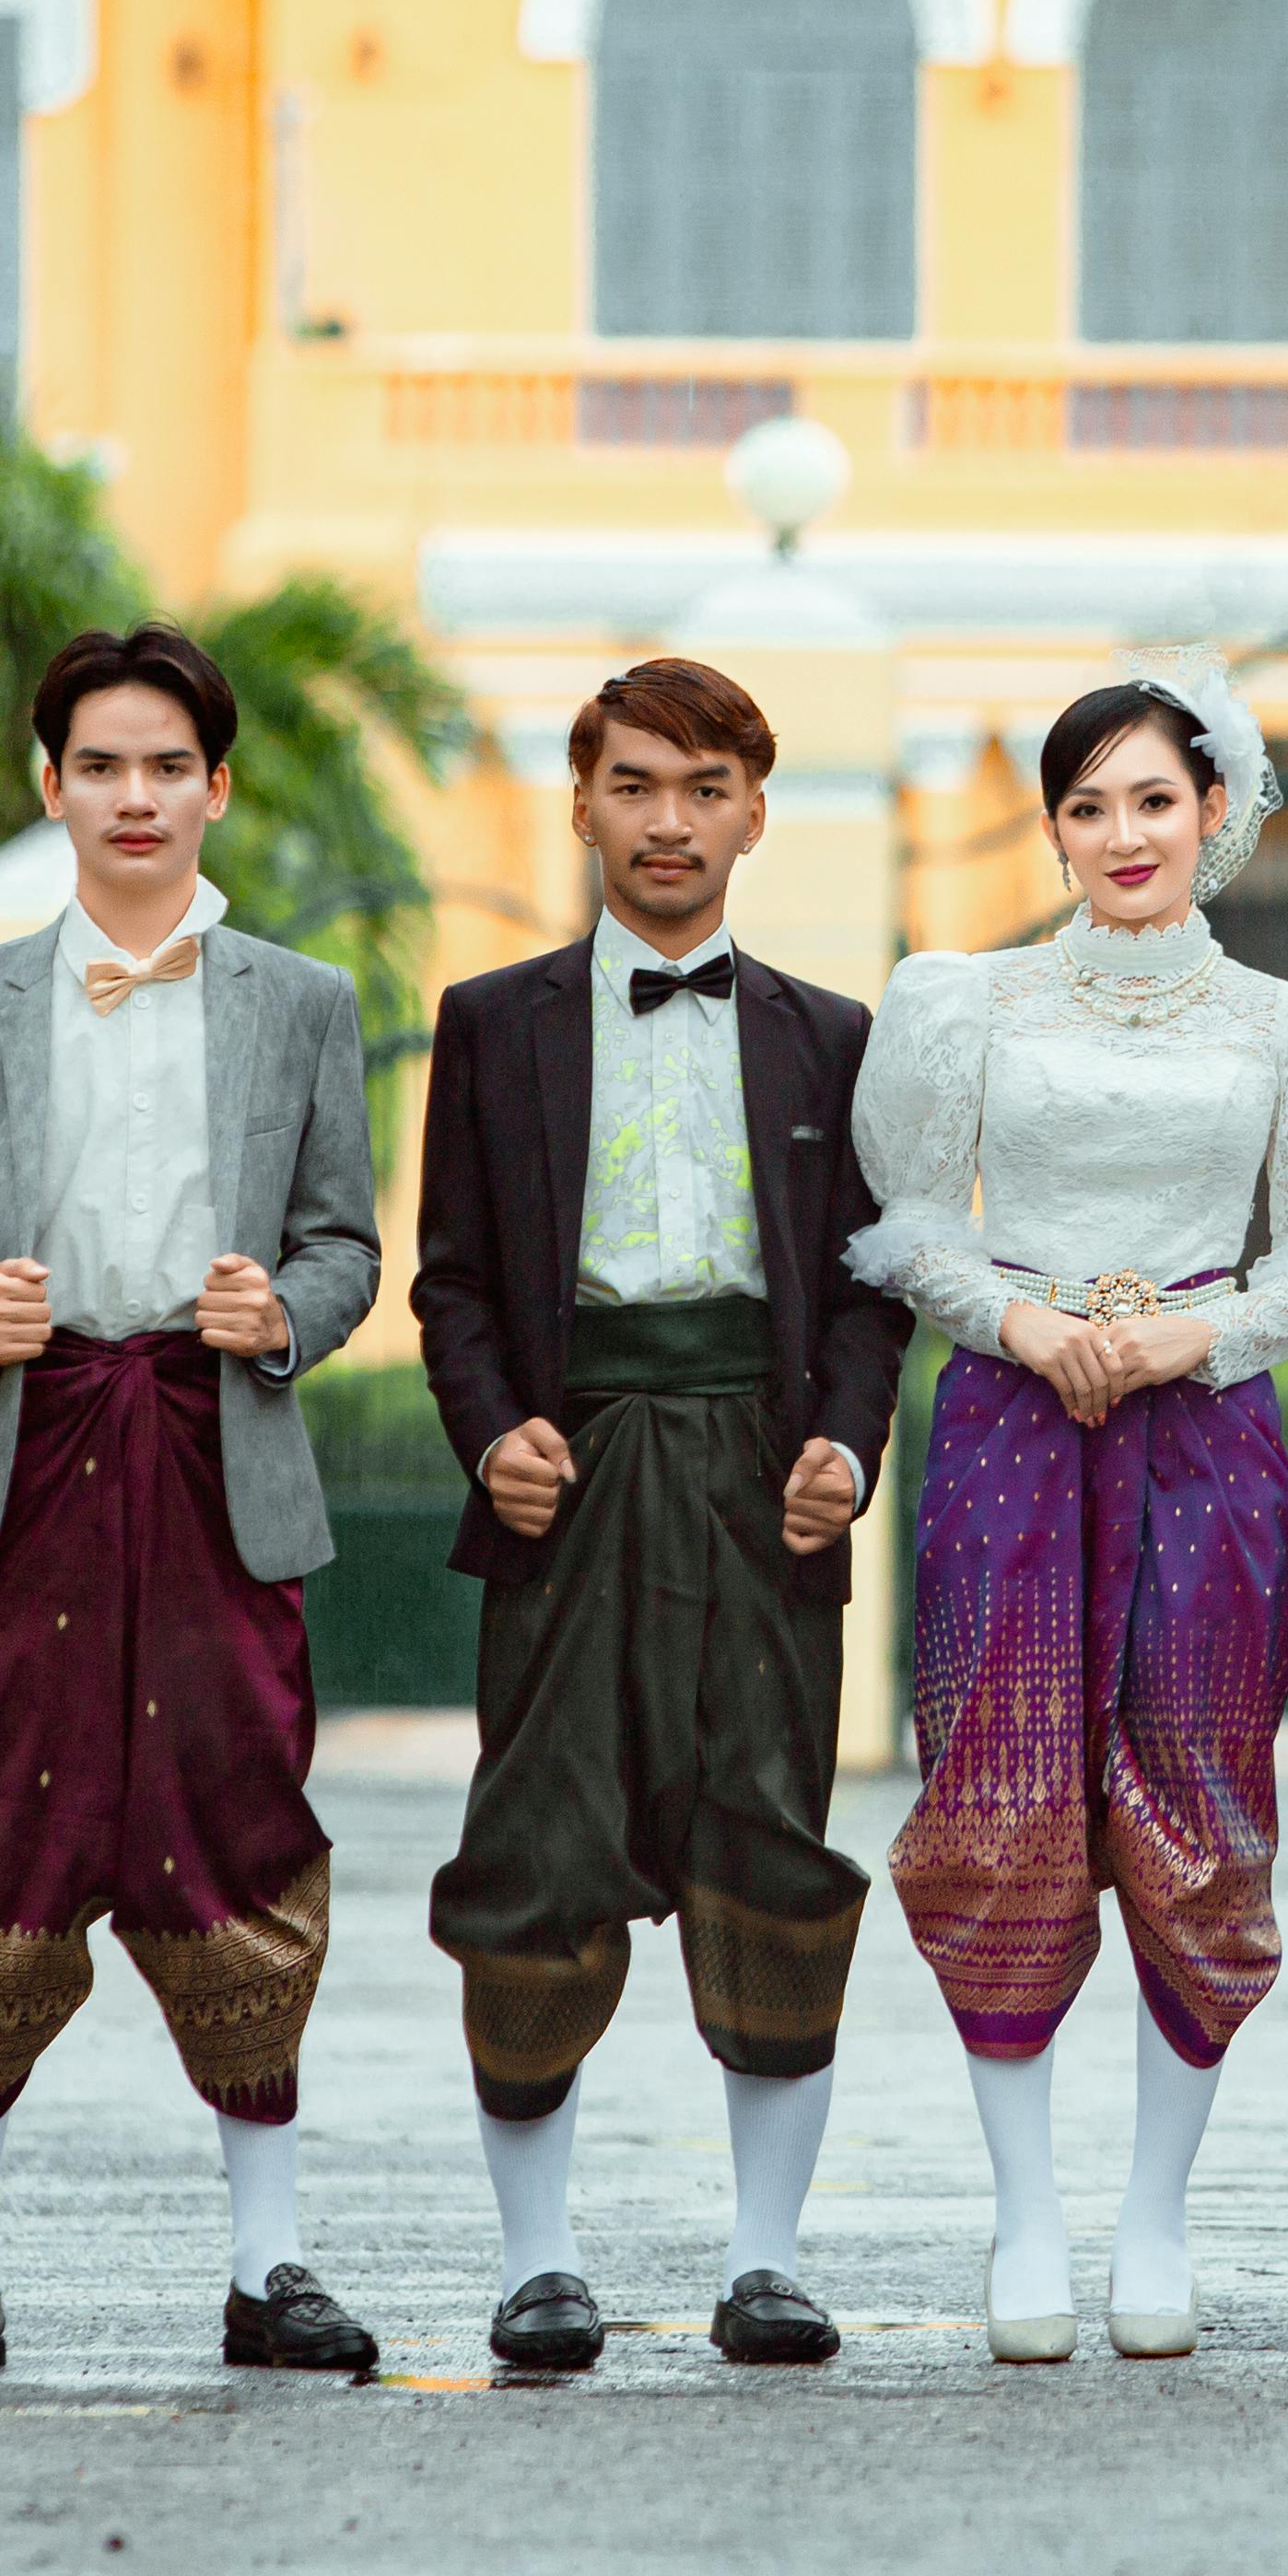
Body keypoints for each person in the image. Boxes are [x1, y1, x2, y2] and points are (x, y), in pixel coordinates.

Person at [844, 652, 1288, 2362]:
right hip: (1014, 1428)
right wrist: (1026, 1325)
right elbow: (914, 1219)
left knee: (1197, 1807)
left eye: (1154, 799)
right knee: (1001, 1799)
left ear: (1216, 812)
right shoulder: (969, 1004)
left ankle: (1157, 2218)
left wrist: (1189, 1333)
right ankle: (1027, 2220)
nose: (1122, 833)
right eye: (1087, 807)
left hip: (1209, 1432)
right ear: (1058, 830)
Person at [0, 624, 385, 2383]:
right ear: (53, 787)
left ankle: (271, 2265)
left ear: (217, 787)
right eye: (103, 764)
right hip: (37, 1450)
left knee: (236, 1821)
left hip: (214, 1449)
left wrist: (287, 1318)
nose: (137, 795)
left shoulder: (305, 1001)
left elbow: (345, 1244)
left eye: (170, 764)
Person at [413, 658, 910, 2373]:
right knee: (535, 1853)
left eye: (706, 788)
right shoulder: (493, 1025)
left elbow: (868, 1292)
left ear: (756, 812)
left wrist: (847, 1445)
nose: (670, 821)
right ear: (582, 802)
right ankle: (538, 2264)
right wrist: (494, 1439)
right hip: (570, 1480)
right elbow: (455, 1284)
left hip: (760, 1497)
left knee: (767, 1847)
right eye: (635, 784)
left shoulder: (838, 1037)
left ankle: (765, 2260)